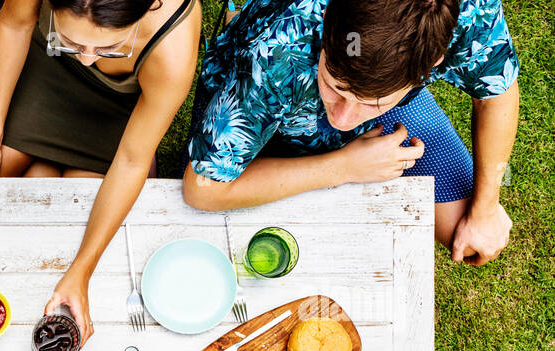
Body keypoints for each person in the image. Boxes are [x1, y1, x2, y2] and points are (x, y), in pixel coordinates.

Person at [0, 0, 200, 345]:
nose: (87, 57)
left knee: (70, 221)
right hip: (43, 70)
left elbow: (131, 160)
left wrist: (81, 274)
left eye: (110, 48)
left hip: (110, 116)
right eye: (71, 41)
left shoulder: (172, 44)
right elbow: (16, 24)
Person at [183, 0, 519, 265]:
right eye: (335, 87)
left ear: (434, 61)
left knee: (464, 232)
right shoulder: (276, 51)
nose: (344, 119)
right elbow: (203, 189)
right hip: (279, 93)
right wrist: (342, 167)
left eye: (371, 103)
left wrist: (486, 209)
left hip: (388, 96)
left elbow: (498, 94)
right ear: (328, 16)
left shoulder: (472, 11)